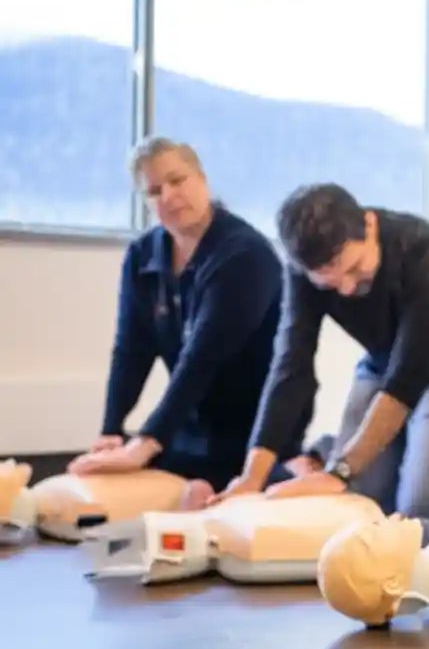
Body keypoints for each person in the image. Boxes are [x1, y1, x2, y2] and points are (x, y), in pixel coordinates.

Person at [209, 183, 429, 525]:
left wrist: (341, 468)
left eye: (355, 269)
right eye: (329, 284)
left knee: (419, 512)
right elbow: (290, 367)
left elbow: (409, 373)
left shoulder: (424, 247)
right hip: (380, 364)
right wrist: (251, 478)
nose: (346, 289)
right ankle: (339, 451)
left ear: (369, 225)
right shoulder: (302, 270)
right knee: (356, 502)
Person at [68, 136, 296, 507]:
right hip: (188, 428)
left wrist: (145, 444)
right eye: (154, 191)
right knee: (91, 471)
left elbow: (202, 356)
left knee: (211, 492)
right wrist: (111, 429)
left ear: (202, 179)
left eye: (178, 180)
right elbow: (131, 349)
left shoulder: (245, 255)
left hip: (255, 435)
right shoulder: (143, 256)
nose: (169, 197)